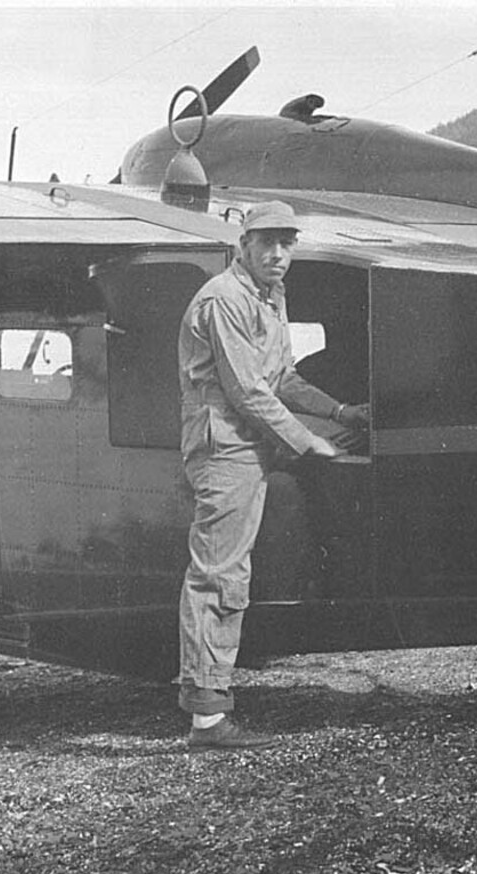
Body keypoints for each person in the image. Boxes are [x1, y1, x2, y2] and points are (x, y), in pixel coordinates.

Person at [177, 200, 369, 751]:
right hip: (226, 449)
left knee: (344, 450)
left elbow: (282, 375)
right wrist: (309, 441)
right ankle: (208, 718)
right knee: (219, 574)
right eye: (267, 242)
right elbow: (248, 392)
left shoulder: (269, 296)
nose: (279, 254)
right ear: (244, 246)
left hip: (252, 437)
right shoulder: (223, 299)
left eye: (287, 242)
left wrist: (337, 414)